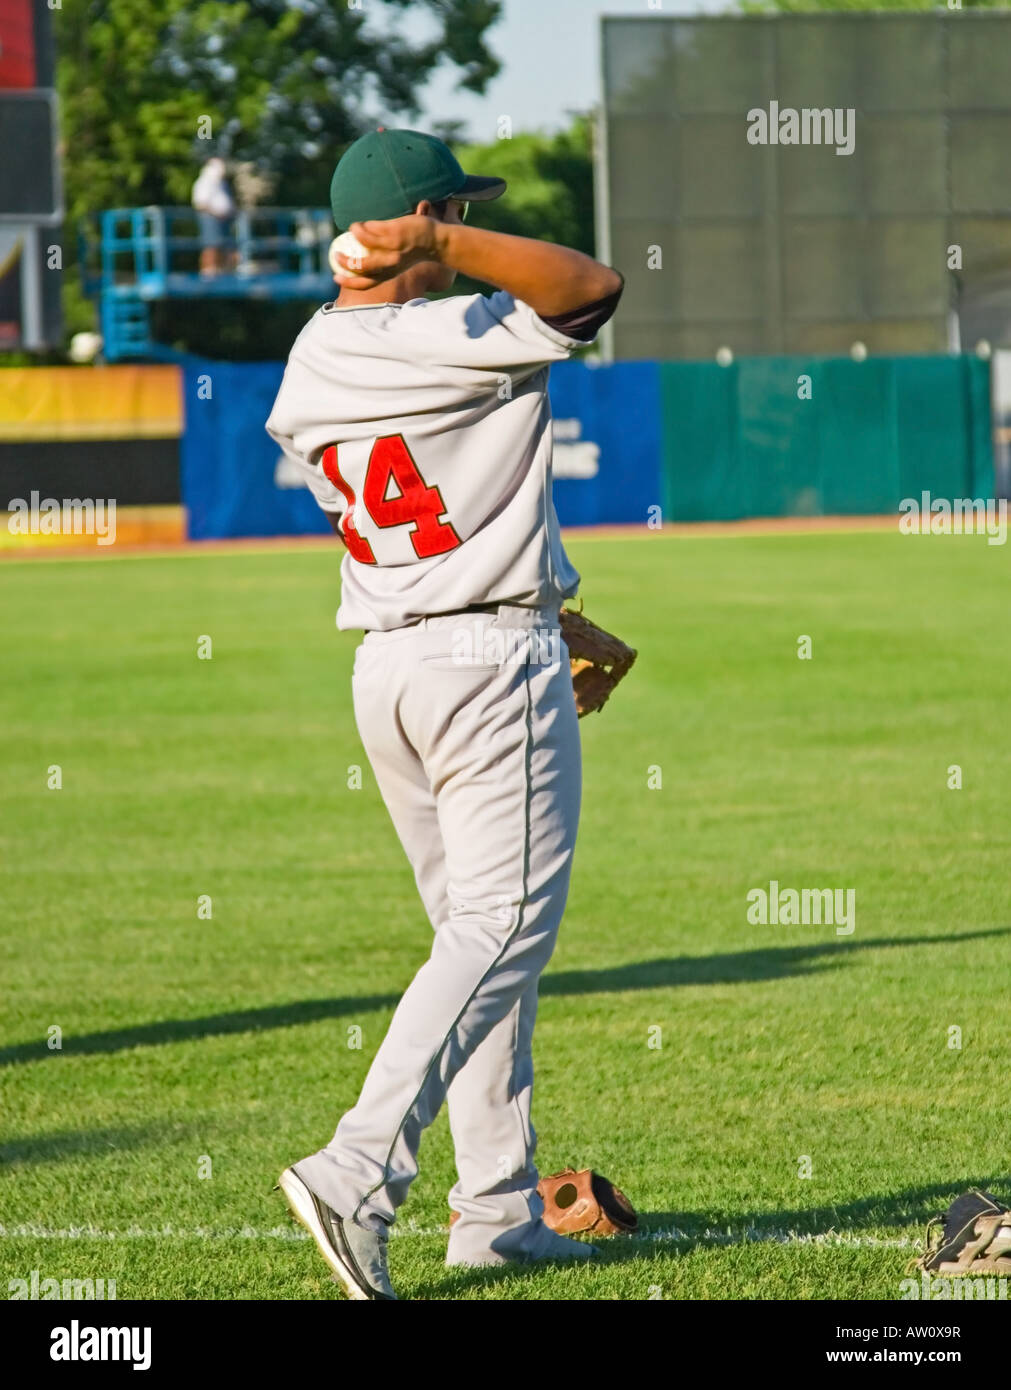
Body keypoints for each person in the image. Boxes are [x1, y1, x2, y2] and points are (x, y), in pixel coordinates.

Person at [266, 128, 623, 1301]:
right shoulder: (448, 326)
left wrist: (562, 618)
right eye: (454, 214)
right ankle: (357, 1170)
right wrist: (444, 242)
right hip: (481, 666)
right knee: (501, 928)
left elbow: (395, 518)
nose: (468, 235)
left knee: (478, 945)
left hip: (397, 664)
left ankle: (498, 1210)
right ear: (415, 225)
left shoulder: (310, 359)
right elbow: (593, 287)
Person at [191, 156, 235, 277]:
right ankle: (208, 273)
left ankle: (224, 272)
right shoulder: (205, 182)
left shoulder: (221, 183)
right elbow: (201, 203)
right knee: (211, 246)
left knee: (226, 247)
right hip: (211, 219)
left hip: (223, 220)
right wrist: (217, 213)